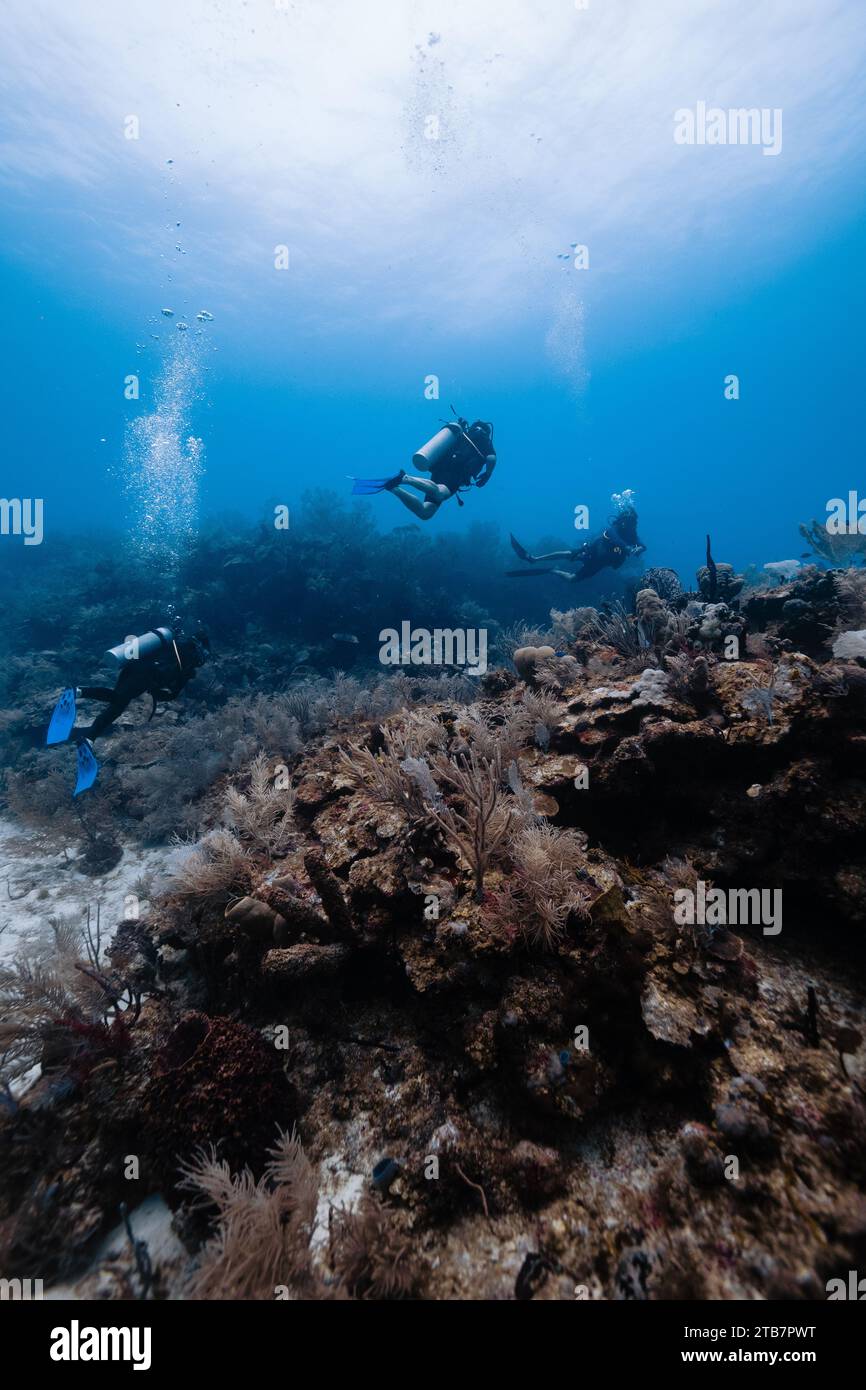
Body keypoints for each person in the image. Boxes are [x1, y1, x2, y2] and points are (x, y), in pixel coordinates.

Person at [351, 417, 496, 521]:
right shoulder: (483, 438)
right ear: (486, 432)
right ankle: (405, 478)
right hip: (455, 472)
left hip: (440, 469)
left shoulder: (462, 435)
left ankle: (393, 487)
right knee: (440, 493)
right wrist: (488, 474)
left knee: (425, 512)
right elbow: (491, 458)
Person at [508, 502, 645, 583]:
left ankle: (552, 570)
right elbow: (614, 538)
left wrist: (639, 548)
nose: (632, 525)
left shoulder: (632, 534)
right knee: (569, 554)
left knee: (572, 579)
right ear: (622, 521)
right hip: (593, 552)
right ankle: (534, 559)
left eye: (634, 522)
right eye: (629, 522)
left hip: (599, 563)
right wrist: (627, 548)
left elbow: (642, 545)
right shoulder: (614, 529)